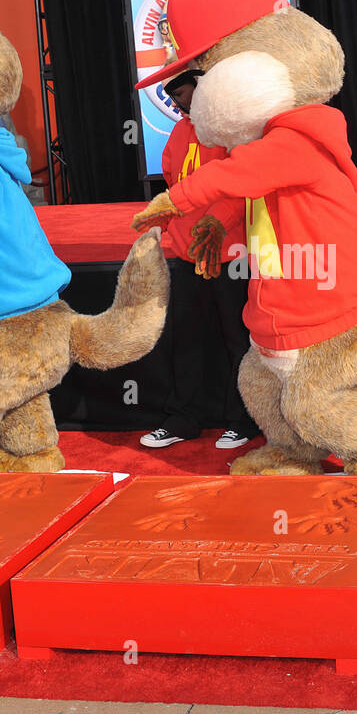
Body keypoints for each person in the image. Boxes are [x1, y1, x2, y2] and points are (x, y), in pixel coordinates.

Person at [140, 71, 259, 450]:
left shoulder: (232, 129)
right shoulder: (178, 133)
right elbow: (174, 188)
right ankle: (184, 418)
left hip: (230, 254)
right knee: (187, 339)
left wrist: (217, 227)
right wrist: (163, 228)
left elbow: (245, 187)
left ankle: (243, 419)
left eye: (182, 91)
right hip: (186, 253)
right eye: (171, 95)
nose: (177, 100)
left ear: (202, 83)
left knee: (237, 339)